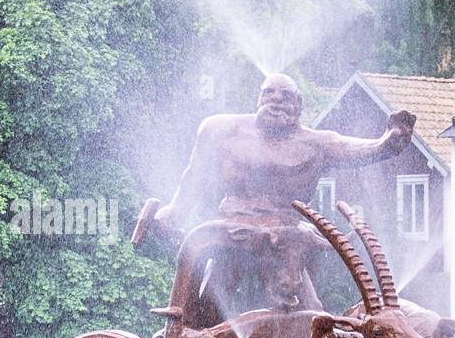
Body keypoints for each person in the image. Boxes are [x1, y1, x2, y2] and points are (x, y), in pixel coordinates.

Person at [154, 73, 415, 319]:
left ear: (299, 104)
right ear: (258, 97)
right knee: (209, 305)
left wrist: (387, 144)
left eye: (285, 95)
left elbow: (356, 149)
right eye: (269, 93)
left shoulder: (317, 143)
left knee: (311, 313)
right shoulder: (222, 129)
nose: (276, 100)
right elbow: (194, 175)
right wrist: (176, 210)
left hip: (288, 238)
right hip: (234, 229)